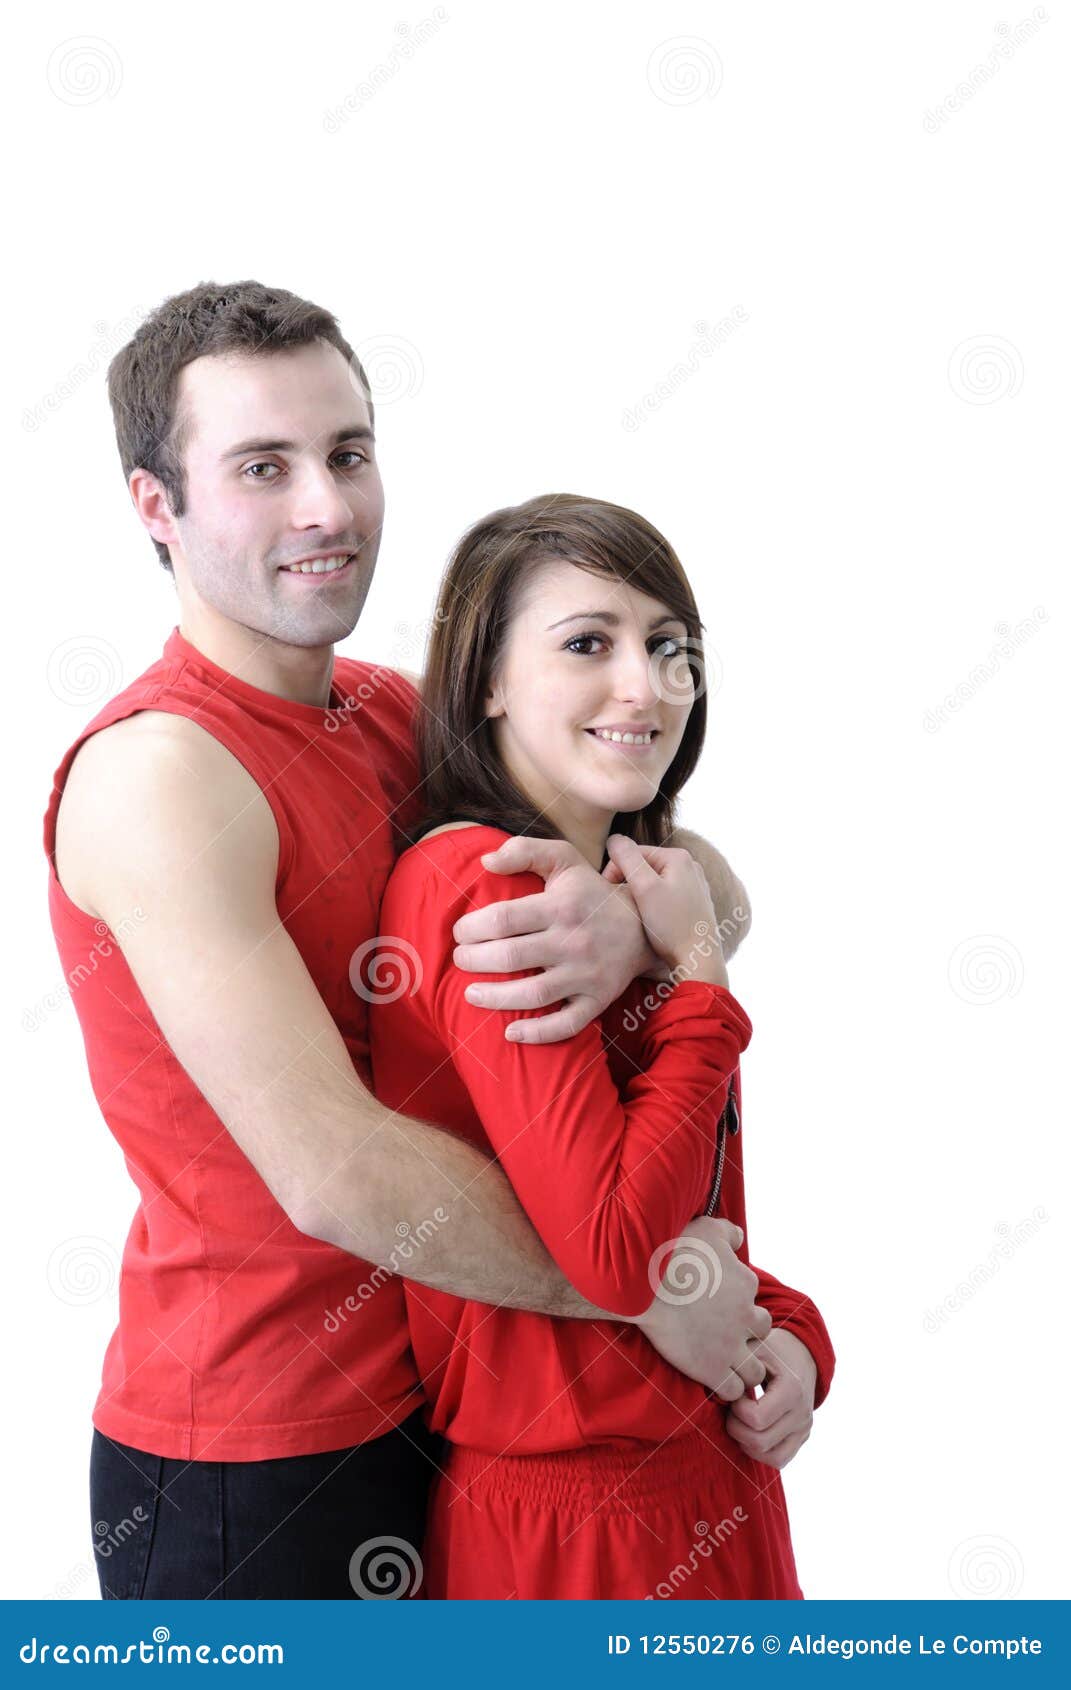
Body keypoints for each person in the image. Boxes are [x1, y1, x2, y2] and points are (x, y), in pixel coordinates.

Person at [43, 280, 768, 1599]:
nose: (326, 506)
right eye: (263, 467)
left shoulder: (385, 717)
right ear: (158, 507)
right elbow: (334, 1172)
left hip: (460, 1402)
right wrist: (643, 1288)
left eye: (349, 453)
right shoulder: (159, 775)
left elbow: (697, 874)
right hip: (251, 1465)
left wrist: (622, 922)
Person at [368, 494, 835, 1600]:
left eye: (670, 647)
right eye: (589, 643)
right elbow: (620, 1253)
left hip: (718, 1480)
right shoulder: (478, 887)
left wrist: (796, 1341)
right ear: (486, 679)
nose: (649, 684)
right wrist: (704, 987)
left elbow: (679, 1215)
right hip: (574, 1534)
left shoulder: (644, 881)